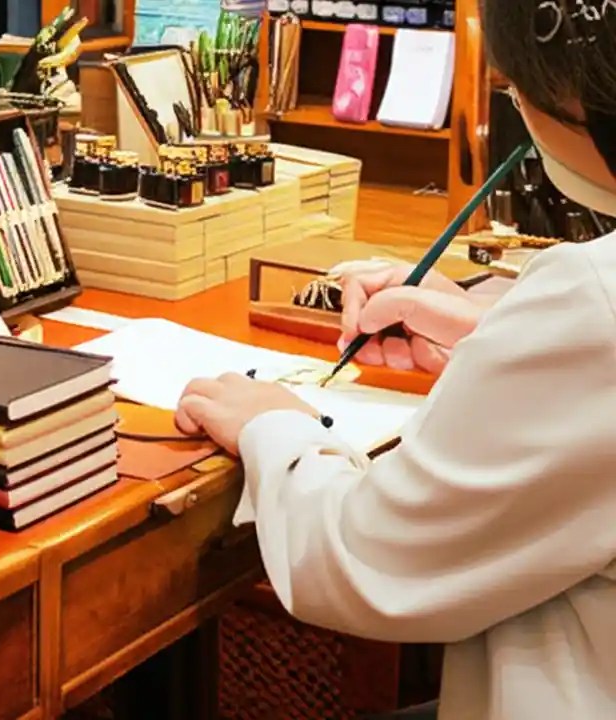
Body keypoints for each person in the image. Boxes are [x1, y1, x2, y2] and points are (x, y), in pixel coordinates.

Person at [173, 4, 616, 719]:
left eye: (513, 89)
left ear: (572, 95)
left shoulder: (593, 305)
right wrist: (499, 340)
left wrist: (278, 429)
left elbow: (368, 559)